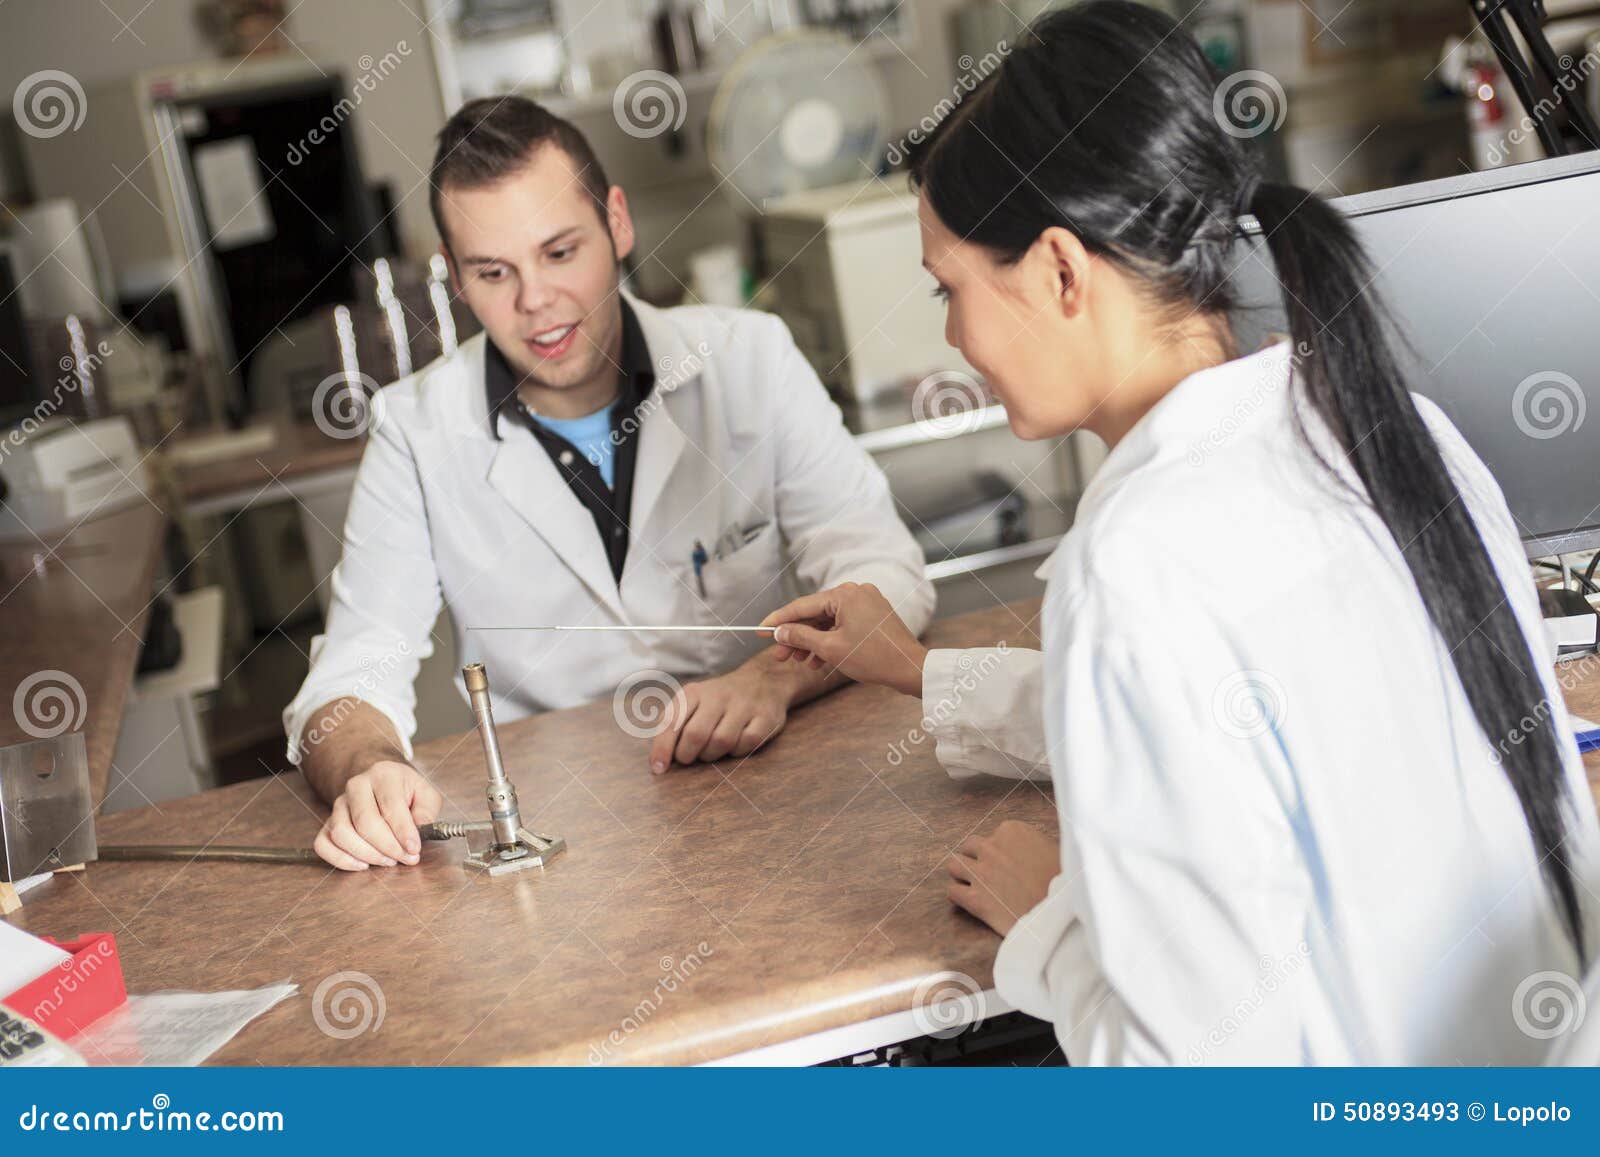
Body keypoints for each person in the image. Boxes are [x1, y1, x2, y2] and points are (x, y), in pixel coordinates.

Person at [761, 0, 1600, 1063]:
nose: (954, 336)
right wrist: (920, 670)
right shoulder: (1394, 430)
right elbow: (1259, 705)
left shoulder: (1133, 565)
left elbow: (1195, 1078)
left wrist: (1052, 927)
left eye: (949, 290)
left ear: (1060, 271)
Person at [284, 96, 933, 872]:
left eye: (560, 252)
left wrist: (773, 679)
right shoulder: (415, 431)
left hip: (792, 794)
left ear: (617, 224)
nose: (535, 301)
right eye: (493, 272)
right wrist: (369, 769)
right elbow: (349, 678)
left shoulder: (749, 359)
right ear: (456, 278)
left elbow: (886, 571)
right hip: (571, 848)